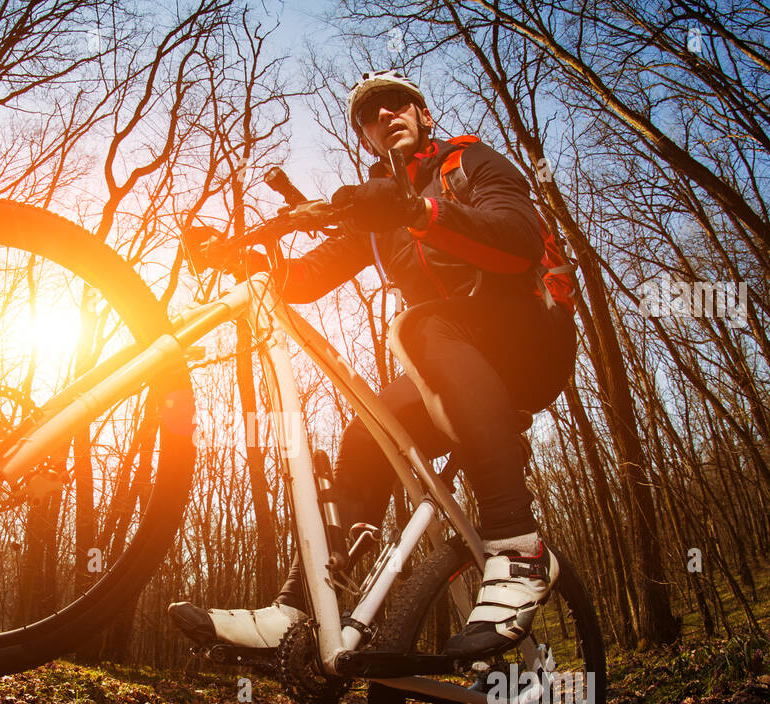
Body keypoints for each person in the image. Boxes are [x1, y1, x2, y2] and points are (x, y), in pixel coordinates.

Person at [169, 70, 577, 660]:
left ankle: (518, 546)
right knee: (370, 429)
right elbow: (311, 274)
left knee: (419, 324)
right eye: (369, 116)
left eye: (395, 105)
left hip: (529, 339)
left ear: (422, 116)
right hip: (449, 364)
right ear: (365, 140)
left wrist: (420, 213)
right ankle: (301, 606)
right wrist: (247, 257)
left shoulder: (470, 163)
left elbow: (518, 240)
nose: (384, 116)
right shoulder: (379, 204)